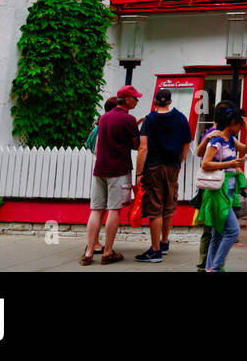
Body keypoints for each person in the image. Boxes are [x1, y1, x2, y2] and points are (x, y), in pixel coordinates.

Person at [81, 85, 141, 265]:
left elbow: (98, 148)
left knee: (96, 209)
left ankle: (89, 252)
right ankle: (107, 252)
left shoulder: (104, 118)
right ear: (128, 100)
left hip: (100, 169)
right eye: (135, 98)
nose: (137, 101)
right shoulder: (129, 120)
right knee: (114, 209)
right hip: (119, 169)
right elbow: (136, 145)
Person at [194, 100, 247, 271]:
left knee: (218, 234)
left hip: (229, 190)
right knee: (233, 232)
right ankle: (216, 267)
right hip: (218, 191)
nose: (241, 128)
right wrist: (230, 164)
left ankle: (209, 268)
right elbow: (205, 164)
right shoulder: (217, 139)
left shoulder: (231, 139)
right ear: (232, 122)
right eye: (240, 126)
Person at [134, 88, 192, 263]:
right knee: (168, 206)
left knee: (155, 209)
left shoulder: (150, 120)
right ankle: (164, 242)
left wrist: (139, 173)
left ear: (155, 101)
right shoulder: (181, 118)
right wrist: (178, 163)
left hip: (154, 167)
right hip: (172, 167)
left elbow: (143, 148)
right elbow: (186, 143)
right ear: (170, 101)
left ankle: (155, 250)